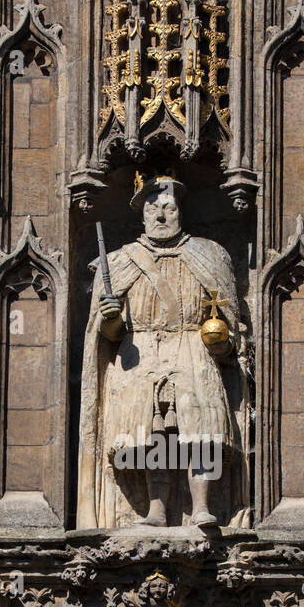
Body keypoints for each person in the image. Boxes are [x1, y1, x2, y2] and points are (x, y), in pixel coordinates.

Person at [77, 173, 248, 529]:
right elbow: (106, 337)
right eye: (152, 208)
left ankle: (201, 506)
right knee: (152, 435)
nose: (160, 215)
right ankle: (156, 509)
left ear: (179, 210)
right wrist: (109, 318)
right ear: (141, 214)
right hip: (138, 352)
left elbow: (231, 329)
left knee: (201, 430)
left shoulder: (209, 255)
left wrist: (222, 340)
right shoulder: (120, 261)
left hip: (192, 348)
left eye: (168, 207)